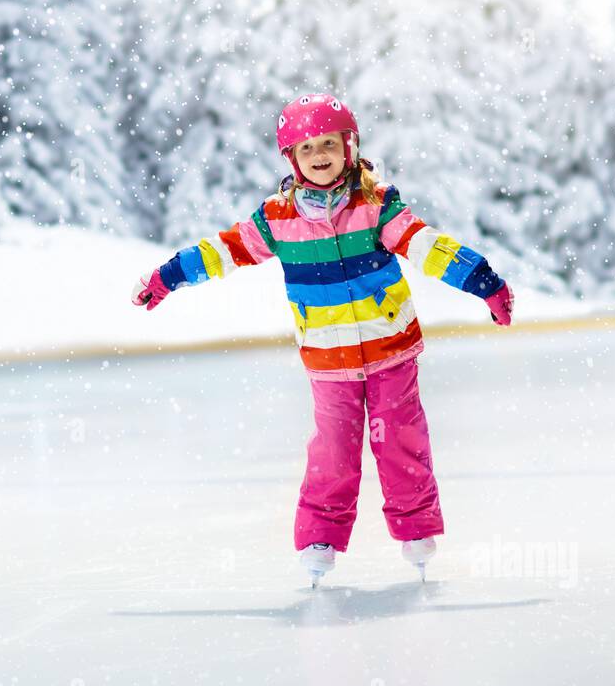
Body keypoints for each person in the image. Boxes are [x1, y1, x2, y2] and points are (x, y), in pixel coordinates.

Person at [131, 93, 514, 586]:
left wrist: (483, 281)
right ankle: (320, 538)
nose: (319, 156)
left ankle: (416, 531)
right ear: (291, 159)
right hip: (328, 360)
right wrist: (168, 277)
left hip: (391, 349)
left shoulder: (376, 207)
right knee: (333, 449)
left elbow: (426, 246)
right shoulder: (277, 220)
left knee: (400, 440)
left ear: (349, 148)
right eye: (306, 148)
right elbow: (221, 251)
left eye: (328, 144)